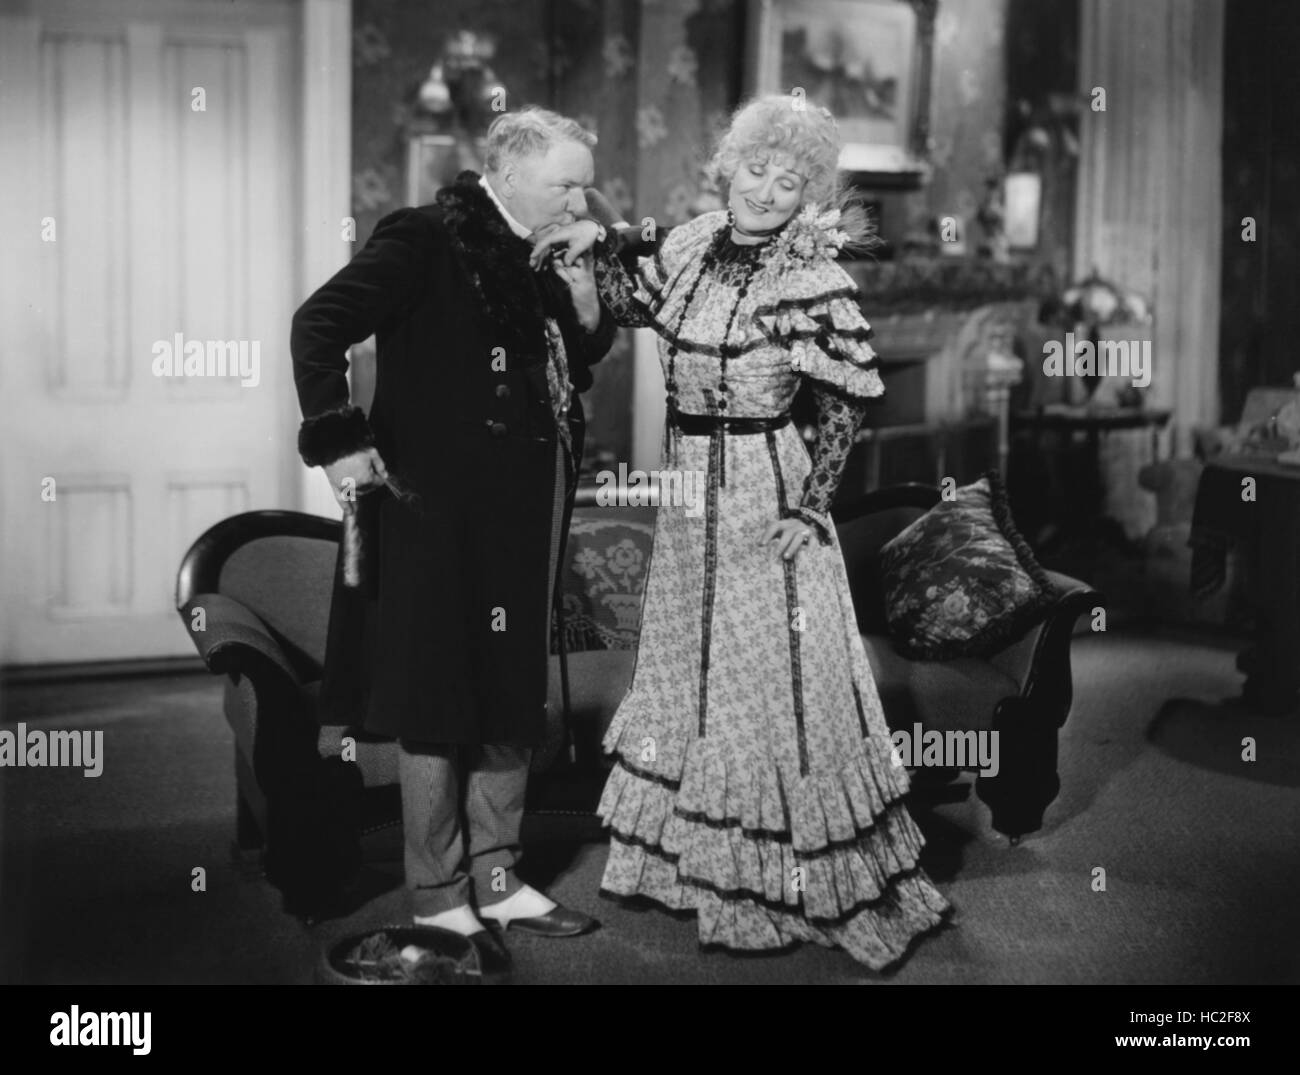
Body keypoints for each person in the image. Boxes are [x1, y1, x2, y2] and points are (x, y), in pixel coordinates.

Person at [532, 95, 952, 970]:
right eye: (756, 169)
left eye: (789, 179)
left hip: (767, 485)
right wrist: (593, 251)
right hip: (688, 486)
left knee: (774, 679)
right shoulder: (688, 241)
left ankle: (796, 874)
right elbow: (634, 307)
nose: (766, 189)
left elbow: (843, 406)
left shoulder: (813, 274)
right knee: (693, 668)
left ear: (809, 194)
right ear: (731, 168)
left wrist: (811, 508)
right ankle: (691, 864)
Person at [290, 107, 613, 977]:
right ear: (506, 173)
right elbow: (317, 325)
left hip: (526, 499)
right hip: (434, 508)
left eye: (584, 179)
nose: (584, 197)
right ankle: (438, 893)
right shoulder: (425, 237)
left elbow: (571, 362)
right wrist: (339, 439)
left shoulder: (547, 248)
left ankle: (498, 874)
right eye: (567, 181)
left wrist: (583, 293)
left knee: (512, 683)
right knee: (438, 689)